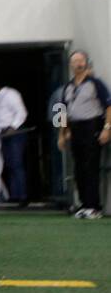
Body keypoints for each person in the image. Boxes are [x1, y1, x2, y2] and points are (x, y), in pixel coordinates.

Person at [59, 50, 111, 218]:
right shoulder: (68, 86)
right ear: (70, 65)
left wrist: (107, 128)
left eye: (80, 60)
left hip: (92, 126)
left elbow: (109, 107)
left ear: (86, 62)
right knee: (79, 168)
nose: (78, 64)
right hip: (75, 128)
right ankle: (83, 204)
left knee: (91, 166)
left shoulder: (95, 83)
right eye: (74, 61)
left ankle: (94, 206)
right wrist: (62, 133)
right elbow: (61, 111)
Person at [0, 80, 29, 203]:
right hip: (4, 132)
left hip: (14, 132)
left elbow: (21, 113)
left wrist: (13, 127)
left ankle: (22, 196)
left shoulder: (11, 94)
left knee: (16, 164)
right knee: (9, 164)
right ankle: (14, 195)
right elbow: (2, 119)